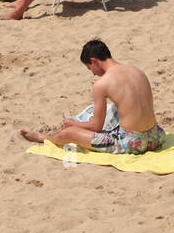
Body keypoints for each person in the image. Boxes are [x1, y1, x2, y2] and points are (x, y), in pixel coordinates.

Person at [19, 40, 165, 155]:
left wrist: (74, 124)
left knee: (68, 133)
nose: (93, 73)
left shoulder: (102, 83)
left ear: (94, 60)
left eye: (90, 68)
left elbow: (96, 126)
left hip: (134, 142)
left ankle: (44, 138)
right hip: (157, 136)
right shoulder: (137, 71)